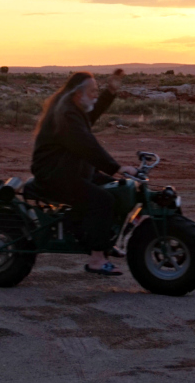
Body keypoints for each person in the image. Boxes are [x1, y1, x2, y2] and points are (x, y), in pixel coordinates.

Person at [31, 69, 137, 275]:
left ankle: (102, 240)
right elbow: (86, 145)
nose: (95, 95)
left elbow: (93, 113)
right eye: (92, 91)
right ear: (78, 94)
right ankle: (97, 259)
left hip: (70, 169)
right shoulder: (67, 113)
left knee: (114, 189)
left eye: (96, 91)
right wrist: (116, 167)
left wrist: (110, 91)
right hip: (55, 174)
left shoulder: (73, 108)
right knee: (102, 200)